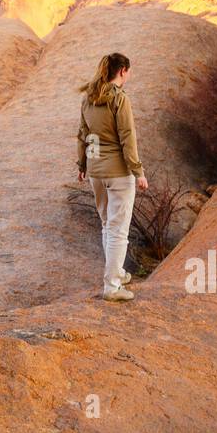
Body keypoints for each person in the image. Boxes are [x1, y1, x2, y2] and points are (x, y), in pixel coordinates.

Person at [77, 52, 148, 302]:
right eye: (128, 72)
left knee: (108, 225)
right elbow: (127, 137)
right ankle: (112, 286)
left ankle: (117, 272)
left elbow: (83, 135)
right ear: (122, 71)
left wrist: (83, 164)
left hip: (96, 172)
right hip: (119, 172)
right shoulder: (118, 99)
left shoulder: (89, 98)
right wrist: (138, 171)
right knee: (118, 230)